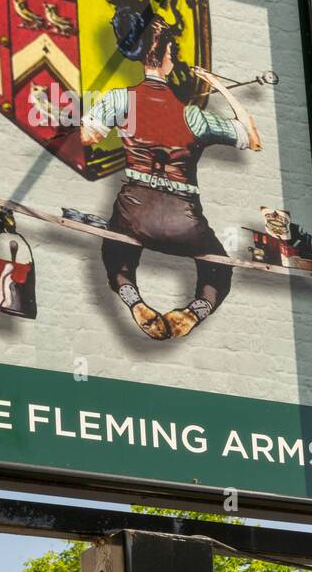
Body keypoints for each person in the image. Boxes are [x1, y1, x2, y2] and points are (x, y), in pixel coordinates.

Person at [81, 17, 262, 340]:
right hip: (184, 221)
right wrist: (218, 85)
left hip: (134, 212)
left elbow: (88, 136)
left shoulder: (122, 99)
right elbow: (252, 138)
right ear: (167, 57)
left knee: (115, 248)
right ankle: (196, 310)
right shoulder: (193, 116)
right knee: (218, 265)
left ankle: (133, 299)